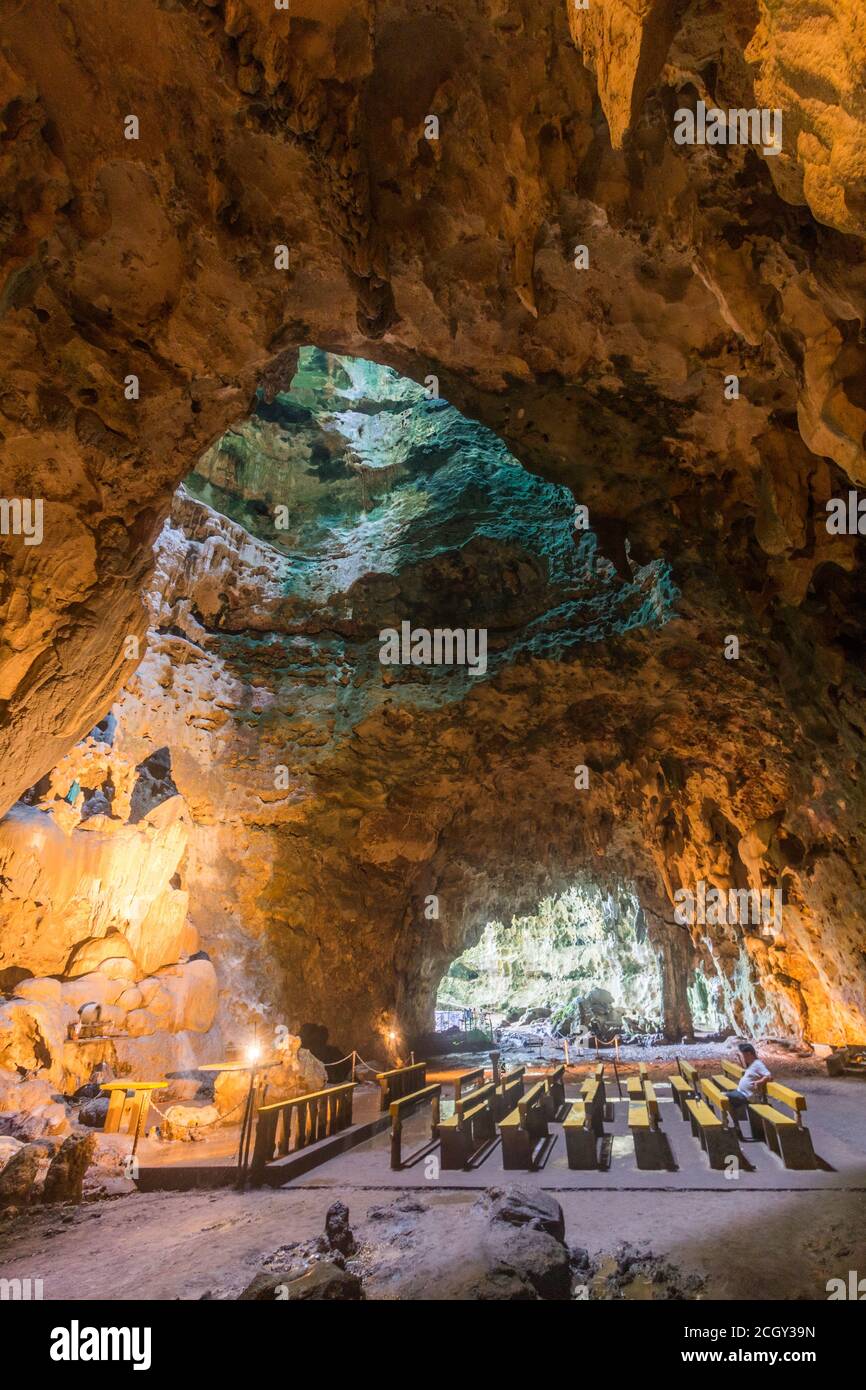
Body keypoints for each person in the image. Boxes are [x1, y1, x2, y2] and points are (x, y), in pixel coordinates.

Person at [726, 1042, 772, 1135]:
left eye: (743, 1055)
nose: (743, 1057)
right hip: (741, 1092)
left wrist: (760, 1082)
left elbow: (769, 1075)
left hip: (747, 1095)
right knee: (723, 1098)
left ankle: (735, 1127)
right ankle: (735, 1126)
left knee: (724, 1098)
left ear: (749, 1054)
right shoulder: (751, 1064)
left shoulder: (757, 1064)